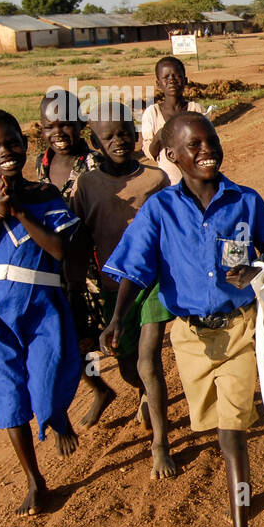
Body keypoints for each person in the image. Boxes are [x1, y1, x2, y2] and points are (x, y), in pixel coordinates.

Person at [102, 112, 264, 527]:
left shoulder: (244, 201)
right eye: (194, 145)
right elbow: (135, 268)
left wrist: (258, 270)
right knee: (211, 424)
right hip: (189, 337)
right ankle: (239, 490)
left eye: (212, 141)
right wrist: (117, 319)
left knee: (233, 434)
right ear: (173, 156)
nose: (206, 150)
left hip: (241, 328)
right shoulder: (160, 209)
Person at [0, 110, 83, 516]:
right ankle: (34, 479)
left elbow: (60, 251)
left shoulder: (47, 195)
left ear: (25, 143)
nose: (5, 152)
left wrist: (21, 213)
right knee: (6, 391)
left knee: (47, 380)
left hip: (43, 305)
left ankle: (55, 414)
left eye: (11, 142)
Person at [71, 103, 174, 478]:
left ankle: (160, 444)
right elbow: (81, 237)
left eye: (124, 132)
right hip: (112, 288)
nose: (118, 141)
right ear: (94, 143)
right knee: (129, 364)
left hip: (153, 283)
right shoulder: (87, 185)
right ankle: (145, 394)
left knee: (148, 361)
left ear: (135, 134)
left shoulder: (155, 178)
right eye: (107, 136)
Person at [35, 90, 116, 428]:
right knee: (71, 339)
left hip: (95, 268)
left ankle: (143, 389)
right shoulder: (43, 162)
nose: (59, 133)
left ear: (81, 125)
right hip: (59, 269)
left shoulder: (94, 164)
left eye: (66, 124)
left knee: (110, 338)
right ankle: (99, 387)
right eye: (50, 126)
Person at [140, 57, 202, 185]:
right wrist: (159, 137)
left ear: (185, 80)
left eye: (176, 76)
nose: (172, 80)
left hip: (198, 180)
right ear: (158, 84)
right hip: (170, 183)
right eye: (166, 77)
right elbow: (150, 152)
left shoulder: (196, 109)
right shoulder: (153, 113)